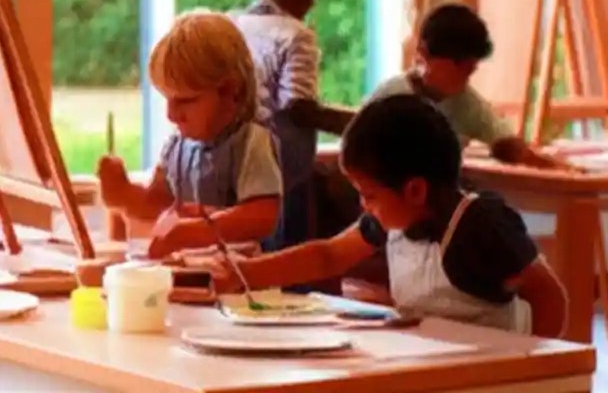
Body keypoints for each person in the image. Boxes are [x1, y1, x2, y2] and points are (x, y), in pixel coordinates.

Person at [213, 94, 567, 337]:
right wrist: (247, 274)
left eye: (369, 195)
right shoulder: (394, 220)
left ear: (414, 190)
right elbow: (329, 255)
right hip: (435, 364)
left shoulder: (481, 224)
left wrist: (540, 366)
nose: (364, 206)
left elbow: (549, 295)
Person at [98, 9, 282, 260]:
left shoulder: (251, 143)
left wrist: (195, 231)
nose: (171, 115)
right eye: (168, 100)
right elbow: (158, 202)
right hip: (188, 276)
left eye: (185, 101)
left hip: (240, 283)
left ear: (230, 91)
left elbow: (262, 217)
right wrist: (123, 194)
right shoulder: (177, 146)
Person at [229, 0, 352, 252]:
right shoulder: (296, 35)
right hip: (276, 175)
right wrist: (360, 123)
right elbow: (298, 107)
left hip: (230, 168)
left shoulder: (231, 25)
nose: (311, 4)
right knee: (280, 274)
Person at [367, 3, 561, 170]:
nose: (467, 73)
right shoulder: (389, 97)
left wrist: (559, 168)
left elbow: (506, 144)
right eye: (459, 64)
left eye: (472, 67)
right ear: (424, 54)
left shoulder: (468, 105)